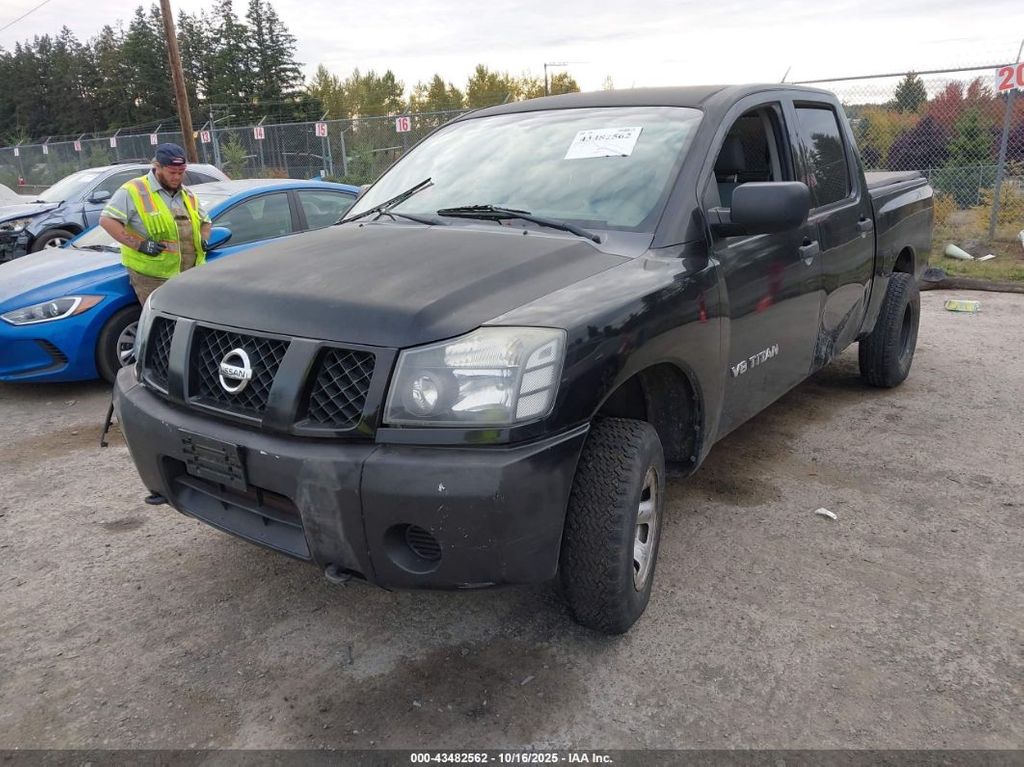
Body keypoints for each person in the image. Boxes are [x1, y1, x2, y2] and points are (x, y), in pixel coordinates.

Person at [99, 143, 212, 305]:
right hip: (152, 277)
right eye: (172, 172)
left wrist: (203, 239)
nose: (177, 177)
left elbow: (205, 222)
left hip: (188, 274)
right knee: (161, 322)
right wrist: (140, 245)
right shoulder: (134, 189)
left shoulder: (187, 194)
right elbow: (107, 220)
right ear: (157, 167)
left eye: (181, 172)